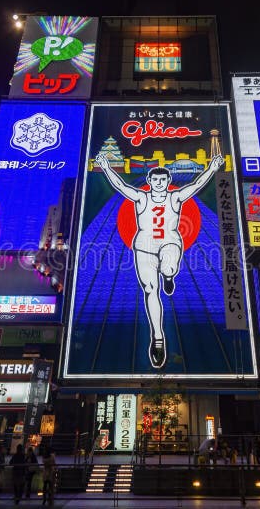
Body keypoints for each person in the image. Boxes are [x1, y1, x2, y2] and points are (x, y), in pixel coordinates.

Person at [95, 153, 224, 369]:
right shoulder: (141, 198)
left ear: (168, 182)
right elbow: (120, 186)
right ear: (149, 182)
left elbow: (196, 185)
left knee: (169, 266)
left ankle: (169, 276)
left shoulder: (175, 198)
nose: (159, 183)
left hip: (170, 242)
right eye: (155, 180)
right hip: (144, 246)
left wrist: (212, 168)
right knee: (149, 289)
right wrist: (106, 167)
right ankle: (158, 337)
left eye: (163, 180)